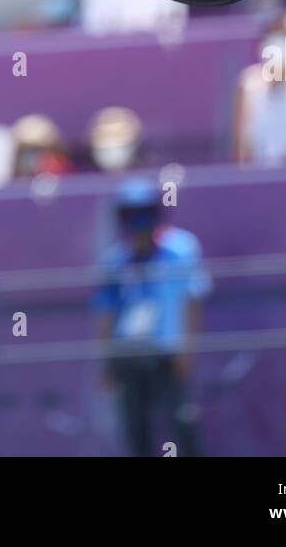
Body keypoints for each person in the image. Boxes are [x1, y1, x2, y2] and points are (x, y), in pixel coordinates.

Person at [94, 177, 210, 457]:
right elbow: (107, 313)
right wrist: (107, 360)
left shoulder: (180, 250)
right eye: (131, 215)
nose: (138, 223)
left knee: (181, 421)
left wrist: (187, 349)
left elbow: (192, 300)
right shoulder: (116, 260)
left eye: (143, 214)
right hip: (129, 355)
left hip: (167, 353)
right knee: (135, 427)